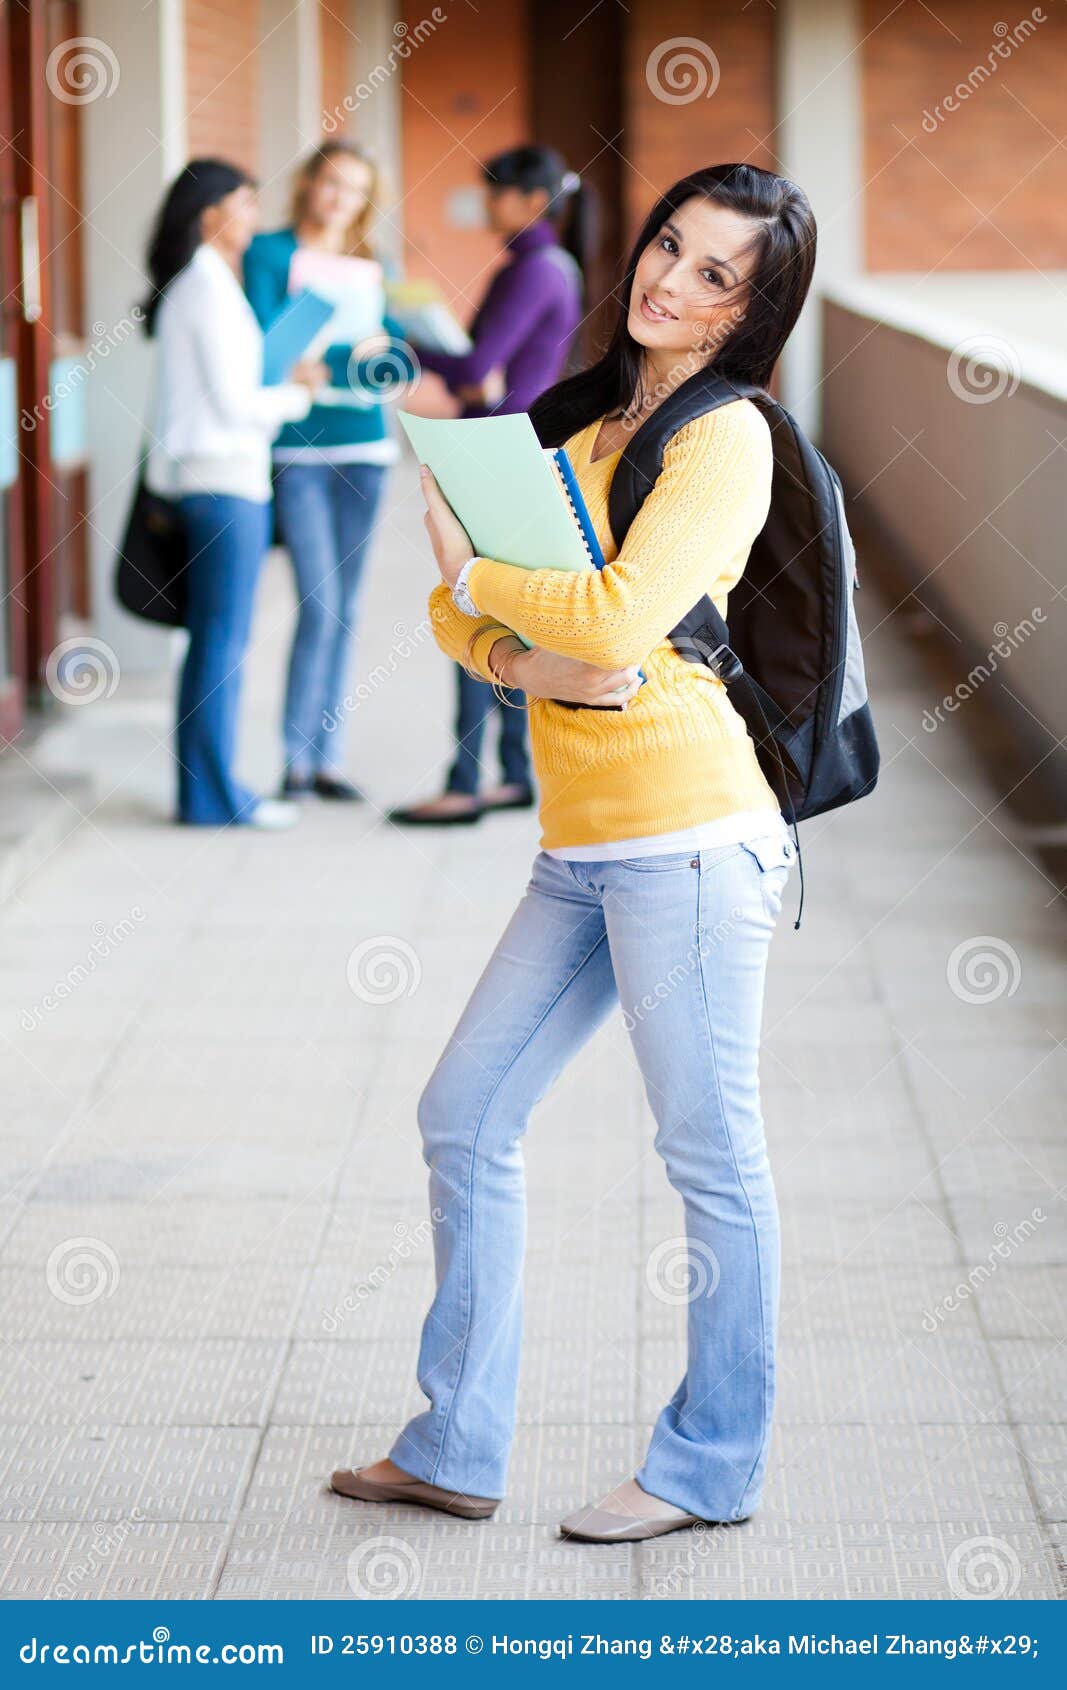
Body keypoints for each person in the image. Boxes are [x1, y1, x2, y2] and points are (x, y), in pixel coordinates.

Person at [331, 164, 817, 1541]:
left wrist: (490, 590)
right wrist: (514, 644)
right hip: (580, 846)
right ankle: (455, 1441)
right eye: (669, 243)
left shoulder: (728, 440)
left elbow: (614, 617)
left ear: (750, 307)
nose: (670, 279)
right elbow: (481, 626)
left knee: (708, 1153)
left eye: (715, 272)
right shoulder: (586, 418)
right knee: (462, 1114)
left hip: (689, 844)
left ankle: (706, 1463)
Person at [389, 145, 590, 828]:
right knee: (494, 612)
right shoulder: (549, 265)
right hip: (517, 442)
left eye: (496, 192)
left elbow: (478, 362)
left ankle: (463, 781)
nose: (487, 204)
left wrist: (401, 340)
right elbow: (485, 370)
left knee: (472, 608)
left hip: (495, 451)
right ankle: (507, 773)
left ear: (532, 200)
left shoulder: (532, 267)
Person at [144, 159, 321, 829]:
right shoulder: (207, 289)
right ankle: (217, 796)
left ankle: (205, 794)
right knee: (221, 643)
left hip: (218, 482)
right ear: (213, 213)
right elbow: (237, 402)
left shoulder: (208, 283)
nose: (255, 216)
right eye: (246, 203)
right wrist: (298, 394)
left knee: (212, 642)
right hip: (223, 485)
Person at [244, 140, 405, 801]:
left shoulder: (370, 264)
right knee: (320, 603)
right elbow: (257, 346)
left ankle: (327, 757)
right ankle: (294, 761)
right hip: (298, 450)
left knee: (347, 609)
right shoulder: (268, 252)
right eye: (332, 182)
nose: (341, 198)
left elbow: (387, 347)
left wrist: (385, 355)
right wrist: (295, 363)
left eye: (356, 189)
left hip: (364, 447)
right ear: (309, 183)